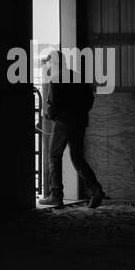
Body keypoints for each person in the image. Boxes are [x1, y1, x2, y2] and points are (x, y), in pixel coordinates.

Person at [37, 49, 105, 209]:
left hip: (63, 124)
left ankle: (56, 195)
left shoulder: (55, 79)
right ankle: (96, 190)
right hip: (79, 122)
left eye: (49, 63)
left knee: (54, 156)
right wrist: (80, 113)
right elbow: (90, 98)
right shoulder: (76, 76)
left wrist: (47, 114)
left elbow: (54, 107)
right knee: (77, 158)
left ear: (54, 63)